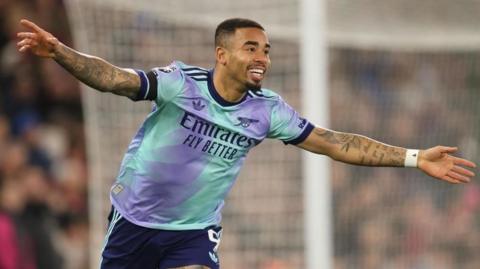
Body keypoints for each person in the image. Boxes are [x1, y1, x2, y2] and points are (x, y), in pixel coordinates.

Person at [16, 18, 476, 269]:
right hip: (134, 220)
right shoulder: (181, 84)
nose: (262, 57)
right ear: (222, 54)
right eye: (251, 48)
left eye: (267, 50)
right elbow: (115, 80)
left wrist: (414, 158)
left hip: (193, 234)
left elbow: (335, 143)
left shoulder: (268, 110)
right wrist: (59, 51)